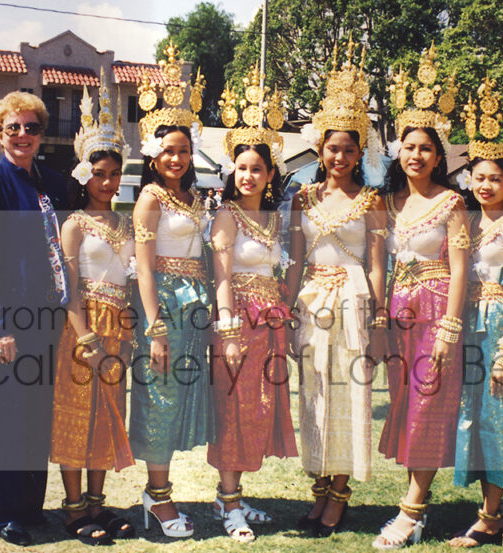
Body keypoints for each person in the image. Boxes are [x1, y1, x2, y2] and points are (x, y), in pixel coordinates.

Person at [286, 39, 388, 538]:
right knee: (314, 395)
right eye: (333, 148)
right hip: (310, 303)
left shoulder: (372, 200)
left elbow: (376, 261)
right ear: (320, 148)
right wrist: (286, 311)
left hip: (352, 301)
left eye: (350, 149)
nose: (340, 156)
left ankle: (339, 497)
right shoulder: (301, 198)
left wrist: (379, 316)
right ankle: (318, 490)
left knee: (348, 394)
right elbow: (295, 259)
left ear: (359, 151)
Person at [0, 91, 69, 546]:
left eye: (32, 127)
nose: (23, 135)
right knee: (2, 418)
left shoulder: (49, 182)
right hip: (5, 323)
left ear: (42, 133)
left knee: (34, 417)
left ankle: (28, 505)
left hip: (45, 320)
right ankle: (0, 511)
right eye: (13, 127)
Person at [374, 45, 470, 549]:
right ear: (399, 152)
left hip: (436, 315)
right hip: (398, 317)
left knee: (428, 405)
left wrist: (450, 329)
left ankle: (412, 511)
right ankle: (414, 500)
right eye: (409, 146)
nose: (416, 155)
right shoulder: (389, 204)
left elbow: (460, 269)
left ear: (439, 156)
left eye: (426, 149)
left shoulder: (452, 203)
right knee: (406, 404)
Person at [207, 67, 298, 543]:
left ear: (270, 174)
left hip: (270, 324)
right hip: (237, 322)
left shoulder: (273, 219)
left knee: (257, 409)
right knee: (233, 409)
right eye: (241, 167)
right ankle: (230, 504)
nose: (247, 175)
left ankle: (234, 496)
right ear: (232, 171)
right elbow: (221, 275)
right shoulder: (226, 214)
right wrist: (228, 330)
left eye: (256, 168)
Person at [129, 40, 212, 538]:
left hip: (194, 308)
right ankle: (156, 497)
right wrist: (155, 327)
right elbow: (142, 267)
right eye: (168, 150)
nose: (176, 157)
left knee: (177, 397)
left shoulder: (194, 197)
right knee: (158, 396)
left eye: (183, 150)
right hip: (162, 307)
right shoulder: (150, 198)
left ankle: (163, 491)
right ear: (153, 155)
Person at [49, 77, 135, 546]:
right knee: (76, 413)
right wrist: (88, 342)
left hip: (118, 329)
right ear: (85, 175)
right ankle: (73, 507)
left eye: (114, 175)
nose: (107, 183)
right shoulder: (74, 224)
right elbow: (69, 288)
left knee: (108, 415)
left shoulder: (125, 222)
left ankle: (99, 505)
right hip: (83, 332)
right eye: (99, 174)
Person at [448, 78, 503, 548]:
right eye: (478, 177)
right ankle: (485, 511)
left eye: (495, 178)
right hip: (467, 326)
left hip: (499, 325)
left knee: (497, 416)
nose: (486, 185)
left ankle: (491, 515)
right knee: (470, 414)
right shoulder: (467, 218)